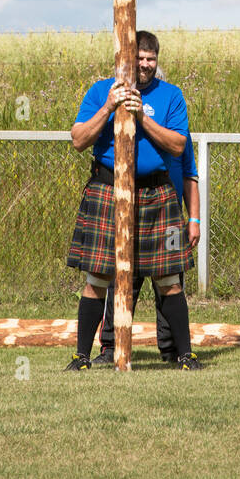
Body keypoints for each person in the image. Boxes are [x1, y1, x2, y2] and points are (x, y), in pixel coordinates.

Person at [64, 30, 200, 371]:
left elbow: (179, 146)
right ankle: (82, 357)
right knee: (97, 276)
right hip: (107, 191)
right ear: (126, 58)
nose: (145, 64)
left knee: (169, 277)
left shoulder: (171, 96)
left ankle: (184, 356)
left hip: (157, 194)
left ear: (157, 61)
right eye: (139, 57)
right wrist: (110, 106)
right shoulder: (99, 91)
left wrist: (142, 118)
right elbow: (78, 139)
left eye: (151, 59)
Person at [93, 71, 201, 365]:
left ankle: (173, 349)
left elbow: (190, 174)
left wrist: (195, 219)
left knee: (169, 281)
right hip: (135, 207)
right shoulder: (131, 125)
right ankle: (110, 346)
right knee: (122, 278)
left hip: (168, 213)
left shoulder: (174, 131)